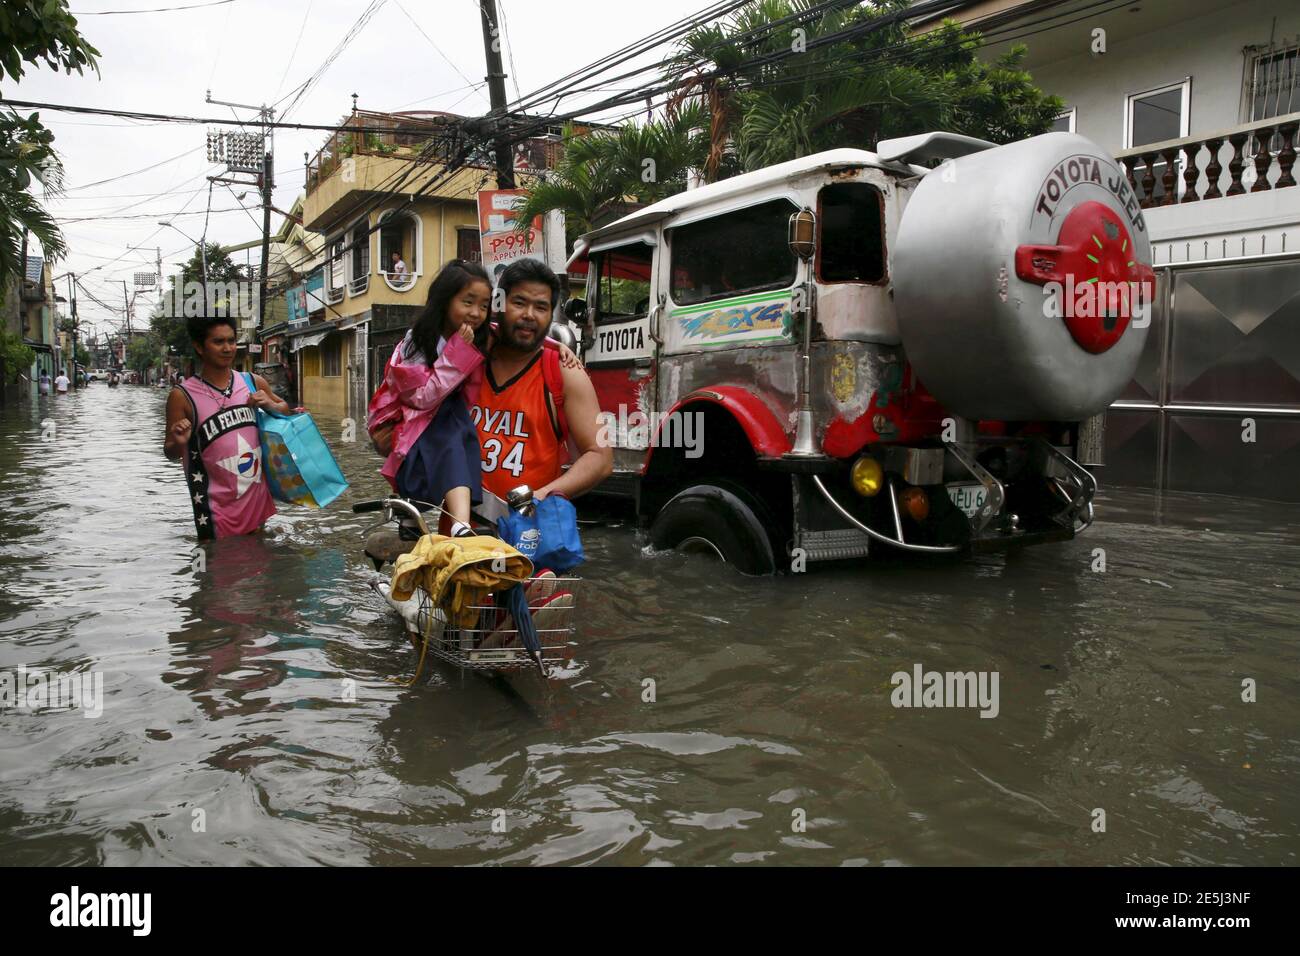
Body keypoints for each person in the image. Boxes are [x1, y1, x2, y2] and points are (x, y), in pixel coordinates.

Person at [473, 258, 612, 504]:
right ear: (499, 303)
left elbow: (600, 458)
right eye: (519, 303)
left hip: (528, 535)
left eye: (541, 307)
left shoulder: (564, 372)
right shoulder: (466, 356)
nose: (529, 315)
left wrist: (536, 499)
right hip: (457, 533)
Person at [370, 259, 491, 538]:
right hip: (406, 421)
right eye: (468, 302)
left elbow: (513, 335)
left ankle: (459, 523)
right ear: (445, 300)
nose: (476, 313)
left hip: (439, 420)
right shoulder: (417, 341)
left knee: (456, 429)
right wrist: (458, 351)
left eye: (483, 305)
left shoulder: (475, 335)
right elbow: (422, 397)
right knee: (450, 426)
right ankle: (452, 520)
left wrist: (562, 347)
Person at [163, 315, 289, 540]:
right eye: (218, 342)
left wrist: (269, 404)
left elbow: (285, 410)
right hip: (214, 513)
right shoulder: (181, 396)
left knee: (261, 564)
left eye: (231, 341)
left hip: (256, 504)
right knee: (220, 568)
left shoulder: (253, 381)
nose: (228, 348)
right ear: (199, 347)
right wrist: (178, 442)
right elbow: (170, 452)